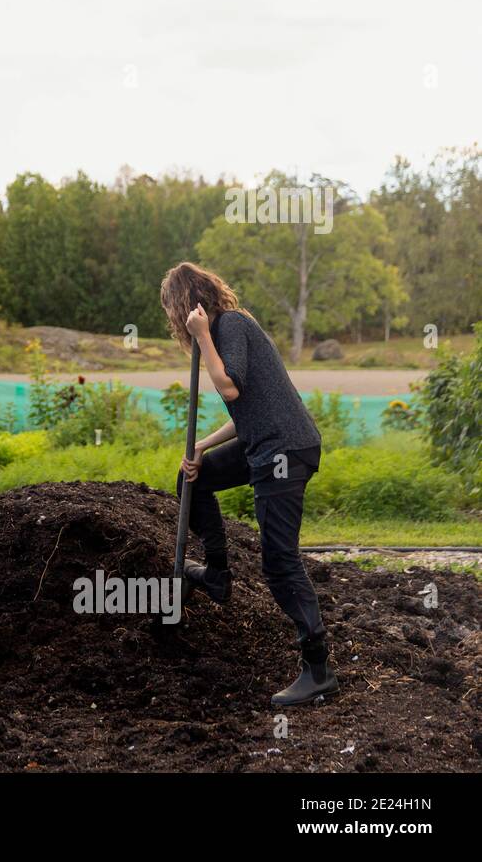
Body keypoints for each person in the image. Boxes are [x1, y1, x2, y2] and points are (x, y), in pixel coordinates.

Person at [160, 261, 337, 706]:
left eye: (173, 309)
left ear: (188, 304)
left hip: (284, 451)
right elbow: (247, 413)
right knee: (192, 479)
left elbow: (232, 388)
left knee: (279, 562)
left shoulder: (230, 326)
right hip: (264, 441)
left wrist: (202, 336)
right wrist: (203, 443)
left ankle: (318, 670)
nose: (174, 321)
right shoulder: (223, 335)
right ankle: (217, 574)